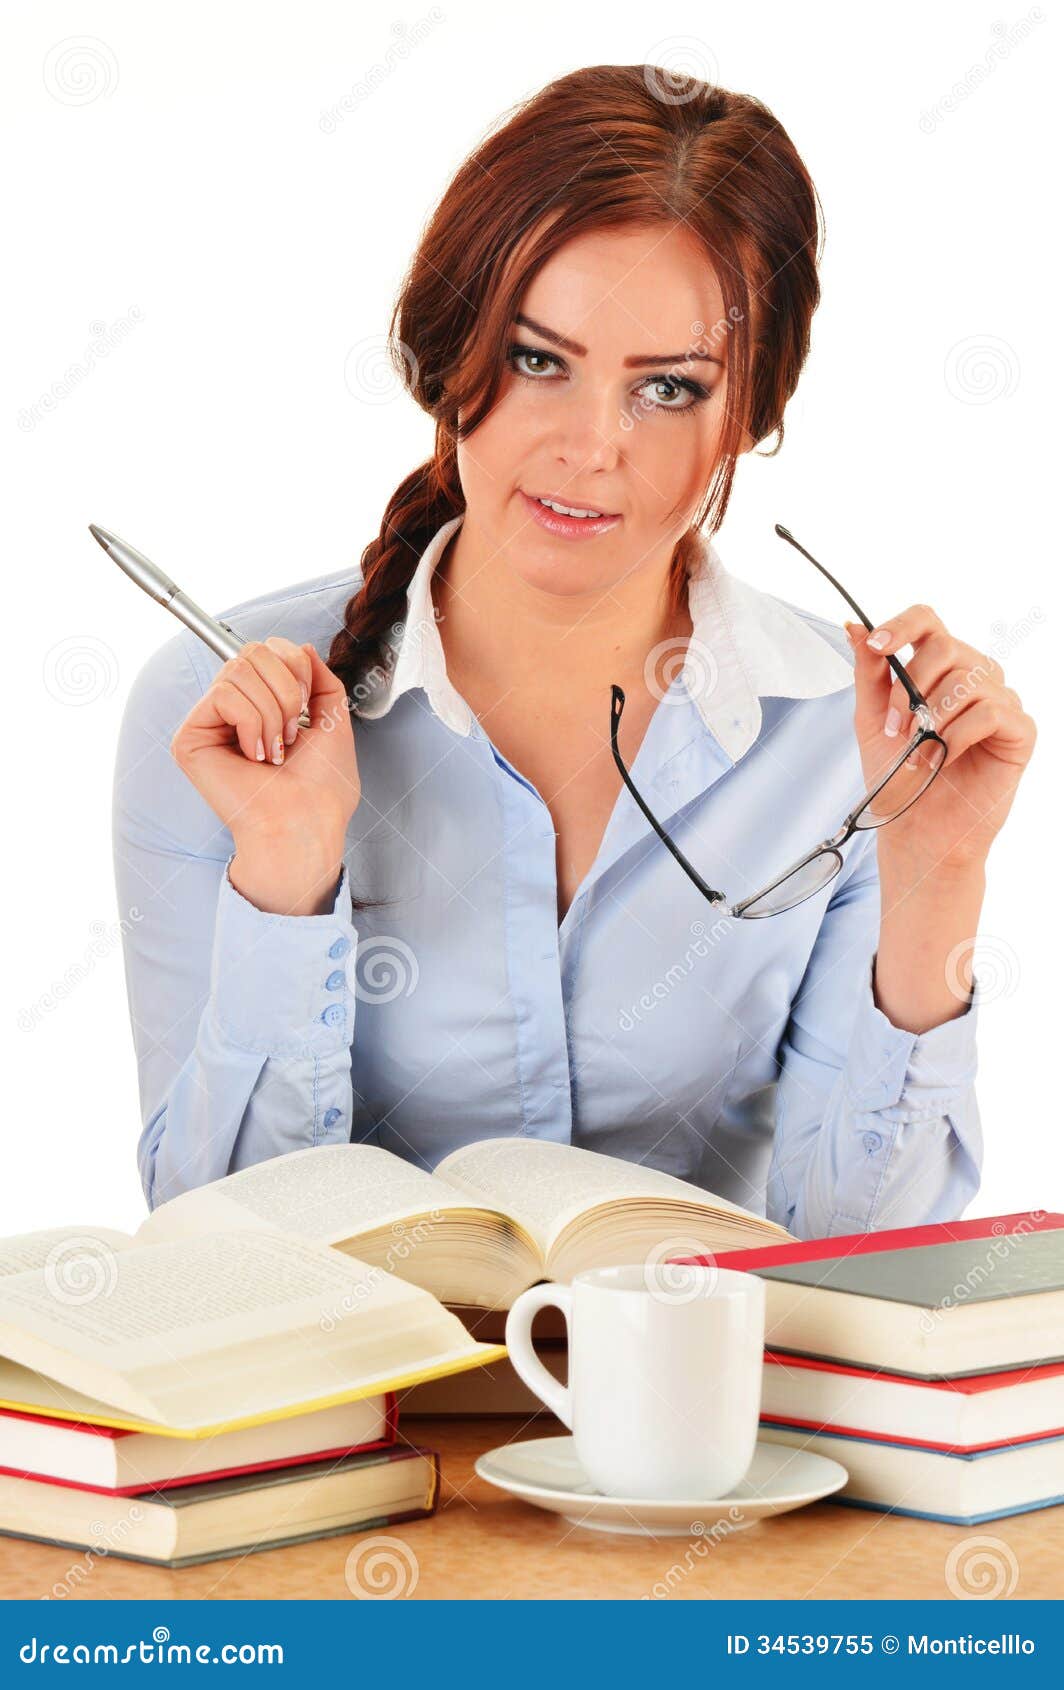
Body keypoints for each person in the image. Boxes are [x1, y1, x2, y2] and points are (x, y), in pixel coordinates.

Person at [112, 66, 1036, 1238]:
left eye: (664, 387)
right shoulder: (217, 712)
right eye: (539, 360)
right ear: (451, 357)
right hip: (371, 1420)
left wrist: (934, 878)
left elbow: (867, 1268)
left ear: (748, 413)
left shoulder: (852, 742)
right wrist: (286, 877)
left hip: (706, 1416)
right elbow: (210, 1255)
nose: (590, 448)